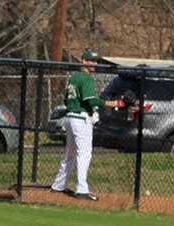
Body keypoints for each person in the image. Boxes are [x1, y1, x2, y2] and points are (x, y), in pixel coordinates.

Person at [51, 48, 122, 201]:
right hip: (80, 119)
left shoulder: (74, 77)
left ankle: (58, 185)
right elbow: (91, 100)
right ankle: (82, 189)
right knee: (84, 154)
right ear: (83, 61)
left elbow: (66, 100)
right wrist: (113, 103)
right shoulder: (85, 78)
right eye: (91, 61)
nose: (94, 64)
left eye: (95, 61)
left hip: (69, 117)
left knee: (69, 153)